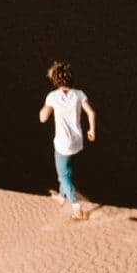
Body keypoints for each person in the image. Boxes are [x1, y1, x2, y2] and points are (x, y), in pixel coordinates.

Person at [39, 60, 96, 218]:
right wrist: (91, 130)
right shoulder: (79, 94)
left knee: (63, 175)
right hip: (77, 142)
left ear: (56, 80)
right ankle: (62, 197)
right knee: (66, 170)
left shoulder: (52, 96)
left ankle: (76, 206)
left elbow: (43, 118)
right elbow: (91, 113)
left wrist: (44, 110)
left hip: (62, 144)